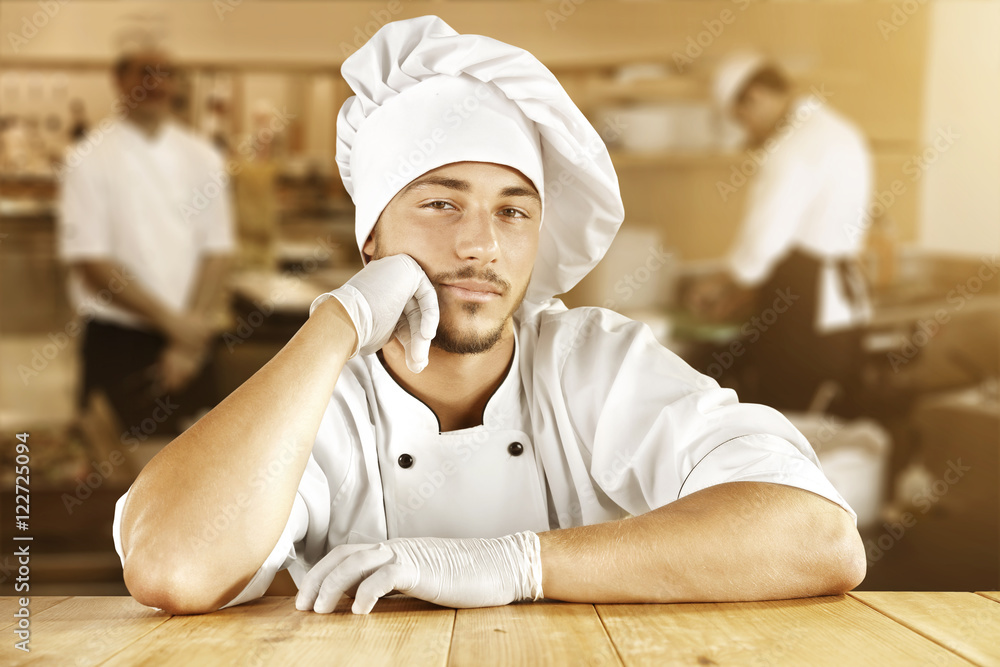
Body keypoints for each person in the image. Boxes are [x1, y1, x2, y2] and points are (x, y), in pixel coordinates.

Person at [113, 17, 865, 616]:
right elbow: (172, 564)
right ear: (371, 231)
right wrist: (336, 323)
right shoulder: (324, 402)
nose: (480, 245)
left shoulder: (594, 364)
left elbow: (820, 535)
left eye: (513, 211)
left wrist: (517, 563)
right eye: (441, 202)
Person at [57, 46, 234, 437]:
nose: (155, 83)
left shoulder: (202, 155)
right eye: (144, 73)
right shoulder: (88, 158)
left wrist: (189, 340)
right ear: (119, 81)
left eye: (165, 73)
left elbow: (217, 249)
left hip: (192, 337)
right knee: (114, 478)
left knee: (203, 472)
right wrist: (177, 328)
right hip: (120, 342)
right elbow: (92, 264)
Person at [689, 53, 874, 415]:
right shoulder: (840, 130)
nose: (749, 131)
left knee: (789, 428)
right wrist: (743, 288)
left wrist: (719, 283)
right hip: (845, 309)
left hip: (805, 313)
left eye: (742, 119)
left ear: (755, 96)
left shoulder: (792, 146)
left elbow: (763, 244)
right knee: (835, 428)